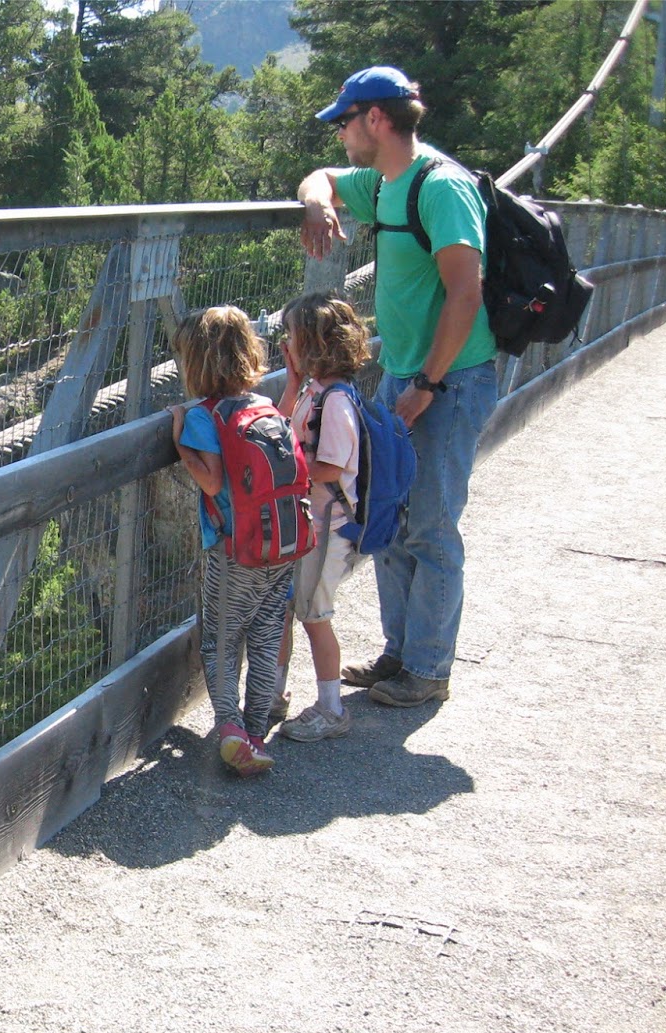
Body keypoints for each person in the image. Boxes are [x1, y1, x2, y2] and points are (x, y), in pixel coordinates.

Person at [298, 66, 500, 707]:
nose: (340, 134)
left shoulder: (440, 189)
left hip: (449, 379)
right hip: (406, 374)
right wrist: (317, 202)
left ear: (376, 121)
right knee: (385, 510)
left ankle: (429, 670)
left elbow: (465, 294)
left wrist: (429, 386)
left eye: (345, 122)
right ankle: (399, 654)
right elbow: (321, 178)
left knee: (432, 525)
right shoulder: (386, 182)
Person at [168, 306, 293, 776]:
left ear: (195, 364)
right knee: (263, 636)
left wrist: (181, 442)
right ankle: (257, 732)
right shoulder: (263, 406)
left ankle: (230, 728)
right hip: (280, 547)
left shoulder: (206, 416)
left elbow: (212, 480)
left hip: (233, 549)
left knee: (220, 640)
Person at [275, 293, 370, 742]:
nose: (285, 343)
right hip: (306, 525)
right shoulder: (313, 391)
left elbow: (332, 465)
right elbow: (278, 426)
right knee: (285, 610)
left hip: (326, 529)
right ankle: (271, 694)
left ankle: (332, 708)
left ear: (313, 343)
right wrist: (292, 382)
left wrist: (286, 476)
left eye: (291, 336)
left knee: (314, 615)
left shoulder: (335, 402)